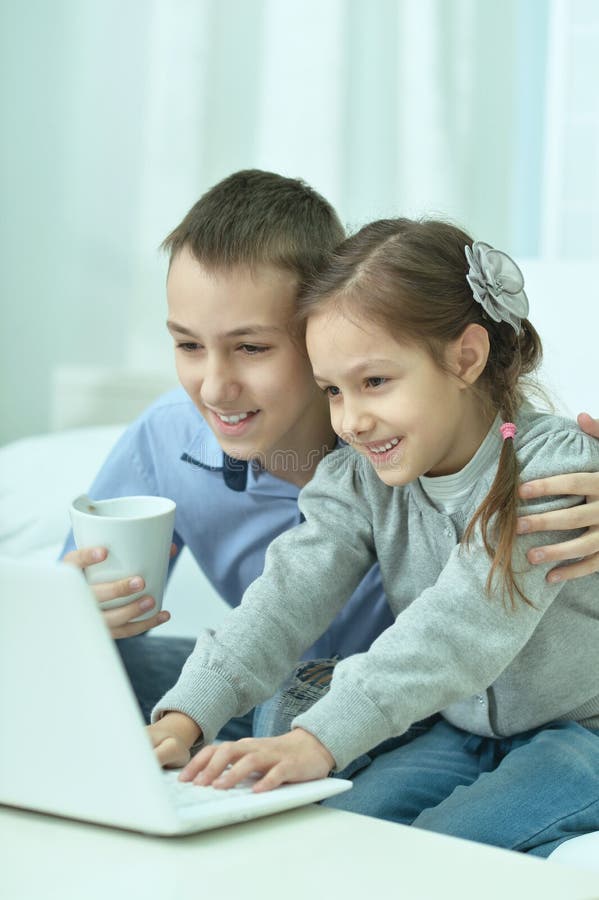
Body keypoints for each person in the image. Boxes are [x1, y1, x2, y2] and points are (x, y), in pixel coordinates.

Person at [63, 169, 599, 733]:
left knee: (289, 711)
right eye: (188, 344)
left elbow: (461, 622)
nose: (215, 387)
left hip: (404, 696)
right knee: (96, 666)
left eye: (251, 347)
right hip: (284, 676)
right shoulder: (168, 440)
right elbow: (280, 601)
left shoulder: (435, 440)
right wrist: (79, 608)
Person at [146, 218, 599, 857]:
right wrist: (186, 714)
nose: (351, 420)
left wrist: (318, 739)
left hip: (583, 733)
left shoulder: (550, 471)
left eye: (375, 382)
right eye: (333, 390)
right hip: (460, 727)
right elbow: (283, 597)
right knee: (341, 831)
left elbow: (457, 629)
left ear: (465, 357)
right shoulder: (360, 479)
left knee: (445, 846)